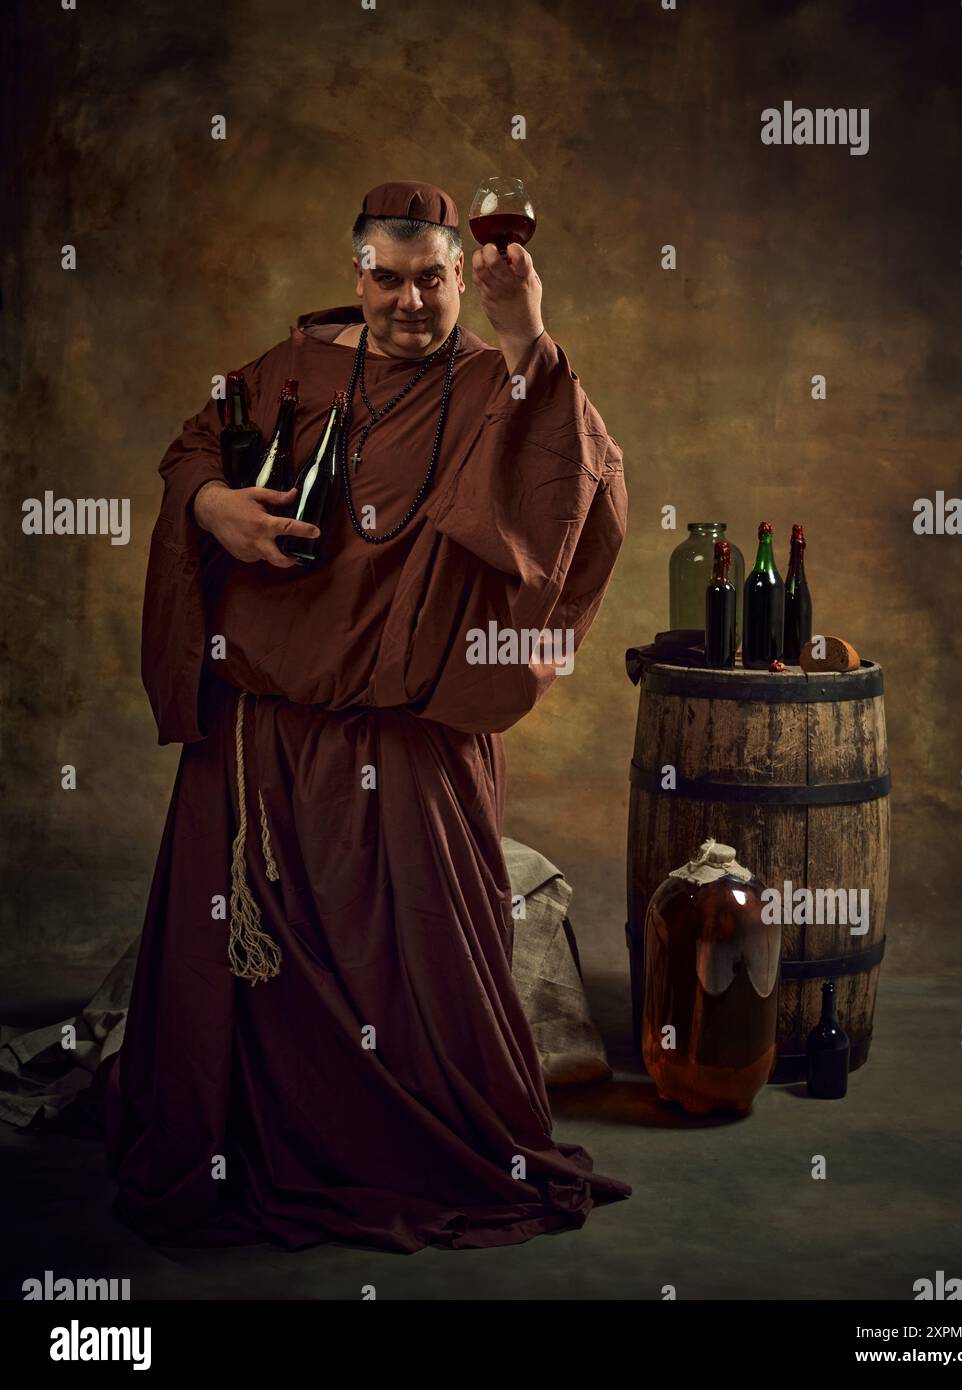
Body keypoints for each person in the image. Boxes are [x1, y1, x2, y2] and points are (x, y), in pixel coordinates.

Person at [97, 179, 631, 1253]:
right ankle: (240, 1133)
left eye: (430, 279)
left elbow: (583, 489)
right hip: (258, 735)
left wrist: (525, 327)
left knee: (429, 966)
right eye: (384, 278)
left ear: (457, 275)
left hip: (407, 736)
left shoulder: (497, 381)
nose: (406, 302)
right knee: (244, 978)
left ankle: (416, 1143)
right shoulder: (293, 365)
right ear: (357, 273)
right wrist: (212, 507)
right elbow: (193, 444)